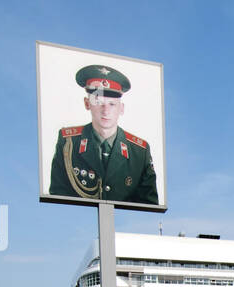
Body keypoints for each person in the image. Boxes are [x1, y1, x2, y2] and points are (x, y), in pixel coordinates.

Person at [48, 65, 158, 205]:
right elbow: (57, 199)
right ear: (87, 103)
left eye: (112, 104)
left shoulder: (139, 151)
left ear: (121, 108)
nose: (105, 111)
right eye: (98, 102)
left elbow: (149, 206)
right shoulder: (68, 143)